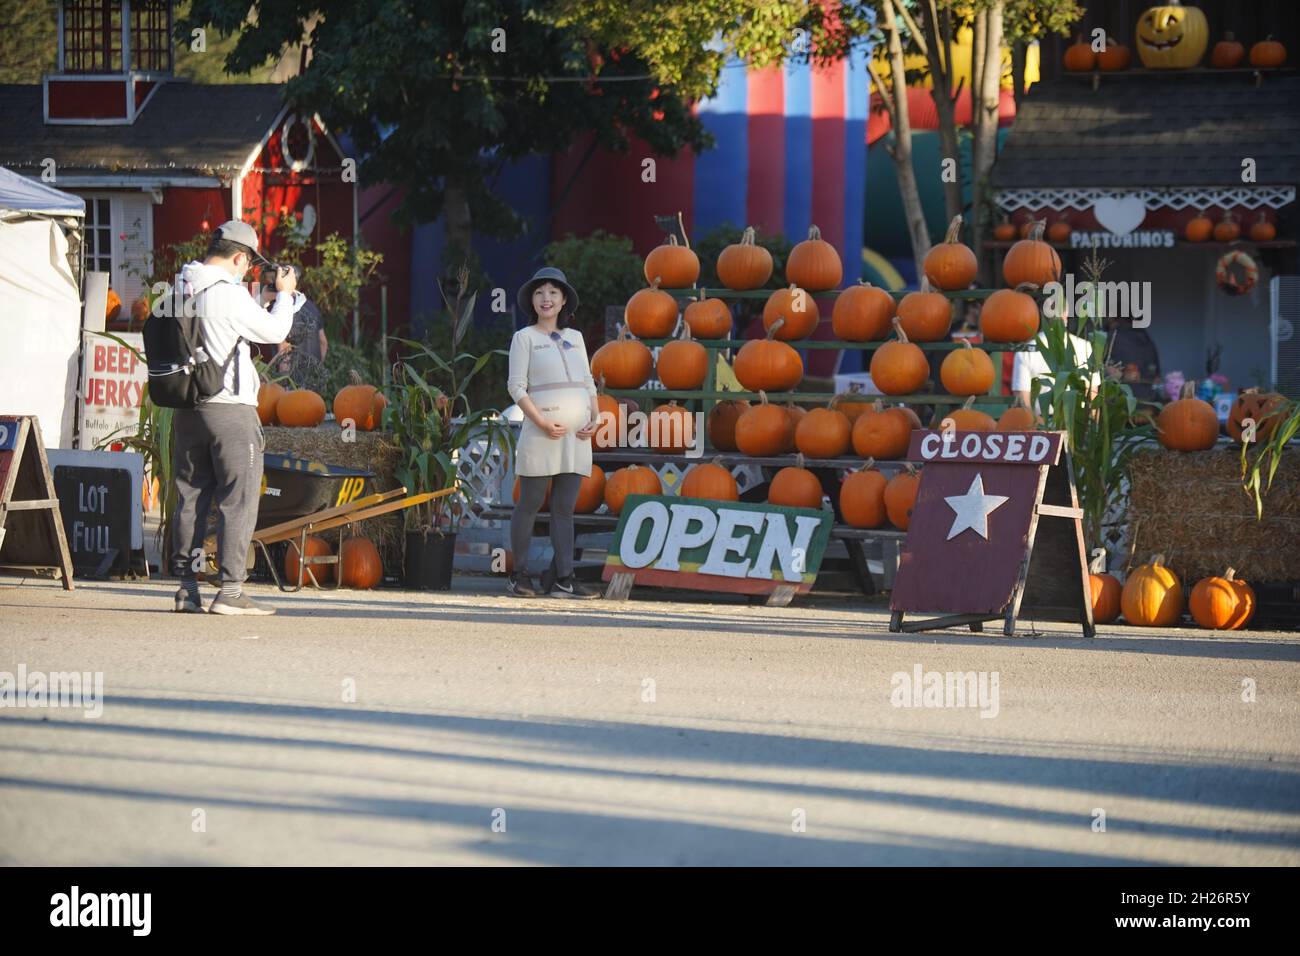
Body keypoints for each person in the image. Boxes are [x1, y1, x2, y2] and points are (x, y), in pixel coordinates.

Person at [171, 221, 297, 615]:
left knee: (190, 498)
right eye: (248, 265)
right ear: (240, 257)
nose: (248, 272)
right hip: (229, 410)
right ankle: (230, 591)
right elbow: (275, 330)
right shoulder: (228, 293)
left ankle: (186, 589)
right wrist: (286, 295)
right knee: (237, 500)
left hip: (187, 409)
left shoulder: (181, 285)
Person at [505, 267, 602, 599]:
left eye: (553, 293)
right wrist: (542, 422)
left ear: (563, 301)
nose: (546, 299)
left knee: (565, 507)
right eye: (539, 292)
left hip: (576, 436)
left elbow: (588, 382)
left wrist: (597, 416)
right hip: (541, 431)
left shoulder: (576, 338)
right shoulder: (524, 338)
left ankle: (565, 579)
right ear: (532, 301)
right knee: (530, 502)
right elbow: (516, 387)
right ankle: (519, 575)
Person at [1012, 308, 1102, 418]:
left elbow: (1023, 402)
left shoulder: (1025, 350)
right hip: (1077, 425)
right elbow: (1092, 396)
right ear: (1066, 314)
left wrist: (1033, 428)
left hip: (1040, 425)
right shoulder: (1085, 347)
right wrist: (1093, 429)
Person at [260, 265, 329, 391]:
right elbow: (323, 342)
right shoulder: (312, 307)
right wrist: (316, 365)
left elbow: (284, 347)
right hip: (312, 378)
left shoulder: (283, 308)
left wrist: (283, 379)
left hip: (292, 381)